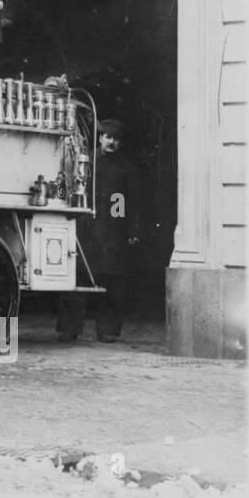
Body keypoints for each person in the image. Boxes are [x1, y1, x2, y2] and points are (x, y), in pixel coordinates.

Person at [57, 118, 143, 343]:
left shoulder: (126, 169)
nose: (111, 142)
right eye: (108, 137)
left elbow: (127, 201)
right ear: (101, 138)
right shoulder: (86, 162)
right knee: (77, 279)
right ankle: (69, 328)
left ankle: (108, 331)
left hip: (113, 231)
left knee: (113, 282)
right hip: (86, 228)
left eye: (116, 139)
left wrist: (129, 229)